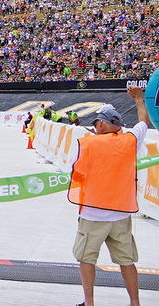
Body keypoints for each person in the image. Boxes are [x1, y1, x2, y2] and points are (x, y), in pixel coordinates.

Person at [68, 85, 149, 306]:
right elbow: (144, 122)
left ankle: (90, 303)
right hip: (121, 214)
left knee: (86, 259)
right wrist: (138, 99)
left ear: (101, 124)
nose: (94, 128)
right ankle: (135, 303)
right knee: (127, 261)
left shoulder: (87, 144)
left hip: (93, 214)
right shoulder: (130, 141)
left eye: (95, 124)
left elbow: (74, 172)